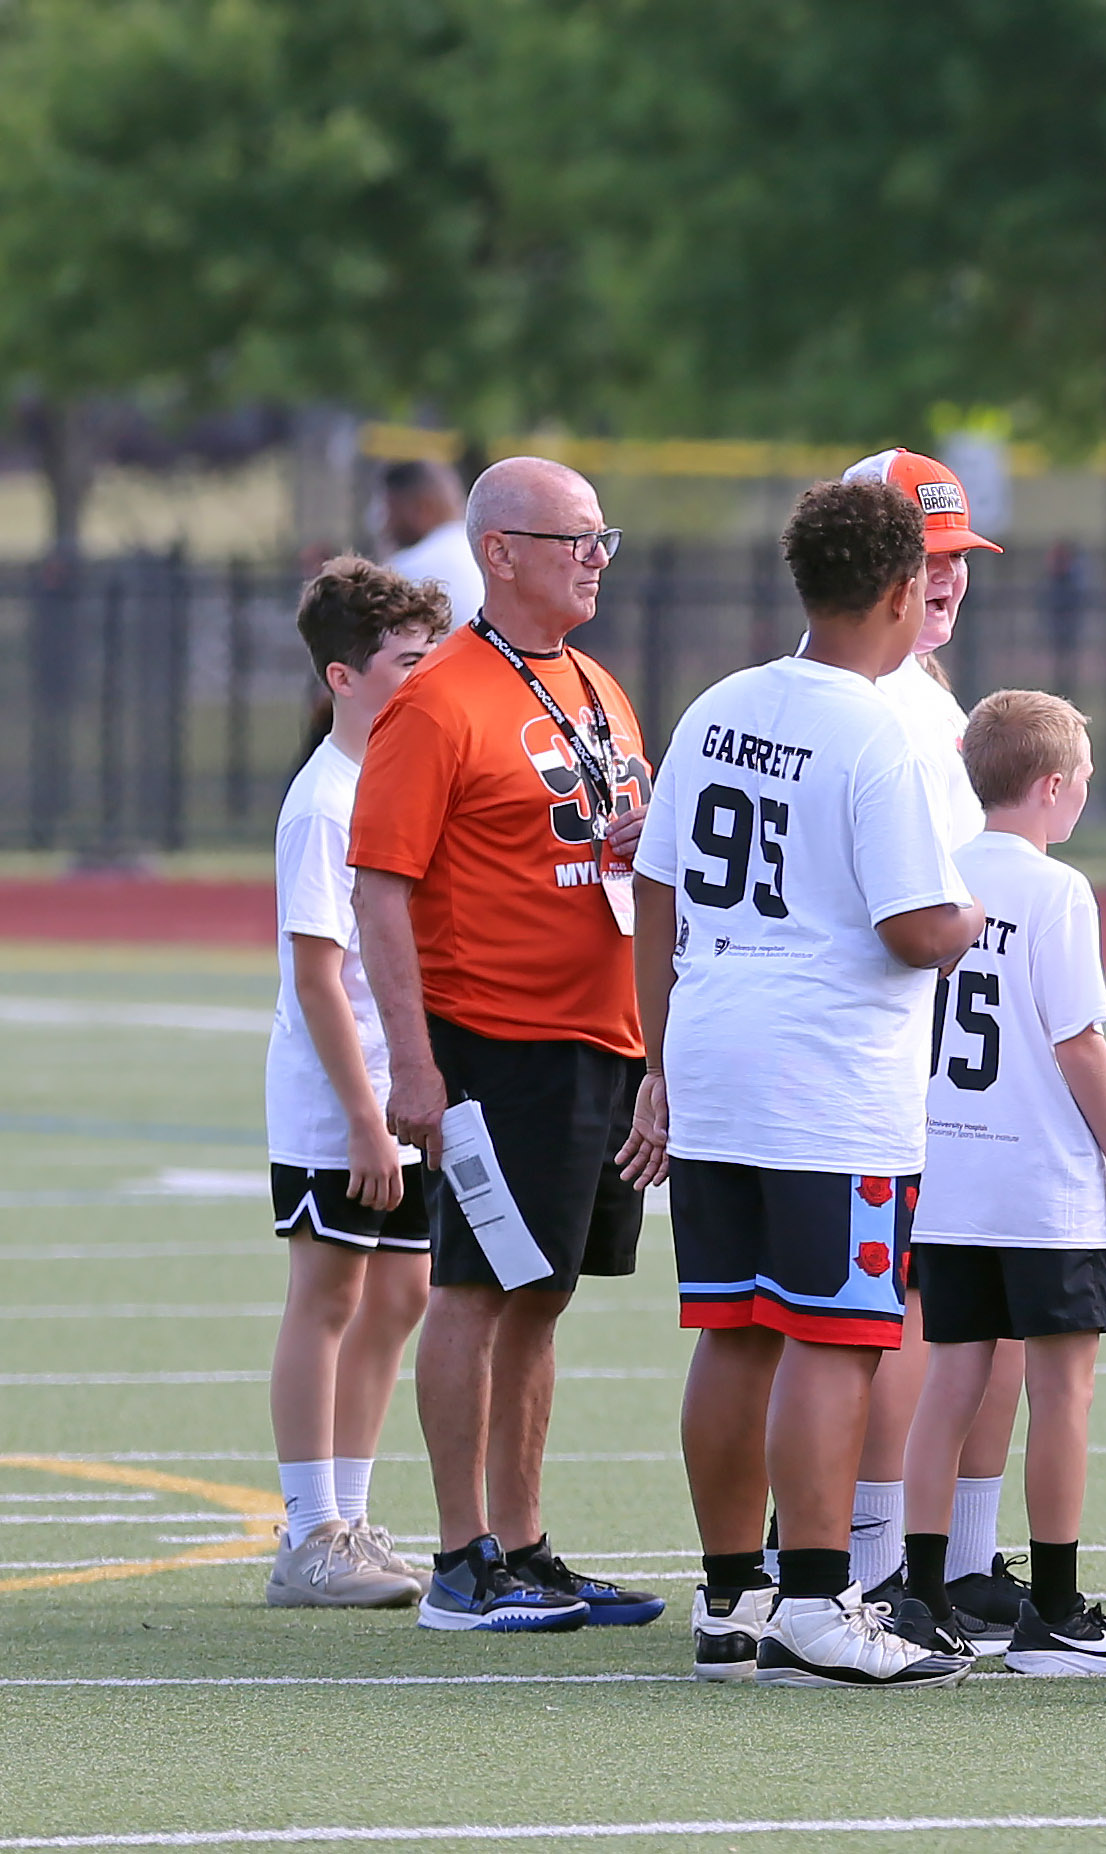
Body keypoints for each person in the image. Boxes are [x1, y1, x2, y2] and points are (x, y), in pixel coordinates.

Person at [627, 477, 986, 1688]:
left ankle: (732, 1596)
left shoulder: (719, 703)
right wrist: (974, 911)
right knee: (832, 1338)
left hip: (716, 1045)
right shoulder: (884, 731)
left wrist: (657, 1056)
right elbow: (916, 928)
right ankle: (822, 1602)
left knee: (732, 1331)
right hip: (826, 1072)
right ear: (901, 590)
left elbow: (657, 887)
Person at [349, 456, 662, 1633]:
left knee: (544, 1294)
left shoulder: (597, 684)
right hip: (497, 1037)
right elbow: (381, 888)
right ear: (500, 551)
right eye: (575, 537)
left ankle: (524, 1545)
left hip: (599, 1034)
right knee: (476, 1289)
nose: (595, 558)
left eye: (602, 538)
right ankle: (459, 1558)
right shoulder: (437, 698)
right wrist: (414, 1062)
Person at [899, 689, 1106, 1674]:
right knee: (1063, 1392)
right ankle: (1055, 1610)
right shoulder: (1056, 890)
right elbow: (1078, 1041)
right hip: (1039, 1181)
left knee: (949, 1381)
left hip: (948, 1170)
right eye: (1084, 779)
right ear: (1052, 786)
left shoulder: (936, 874)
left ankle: (920, 1595)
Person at [832, 447, 1012, 1620]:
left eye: (957, 555)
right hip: (879, 1049)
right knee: (882, 1313)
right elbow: (919, 912)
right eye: (924, 554)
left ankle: (916, 1558)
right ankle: (867, 1561)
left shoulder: (919, 690)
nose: (944, 577)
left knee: (929, 1309)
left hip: (918, 1048)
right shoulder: (877, 702)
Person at [262, 558, 452, 1610]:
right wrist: (364, 1121)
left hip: (397, 1091)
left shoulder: (397, 782)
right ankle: (308, 1532)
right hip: (338, 1100)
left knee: (403, 1291)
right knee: (329, 1292)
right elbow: (318, 978)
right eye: (406, 662)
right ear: (342, 677)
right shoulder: (324, 804)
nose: (426, 677)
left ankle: (351, 1515)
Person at [374, 459, 481, 622]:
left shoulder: (405, 570)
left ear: (422, 508)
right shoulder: (481, 554)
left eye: (387, 509)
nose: (383, 523)